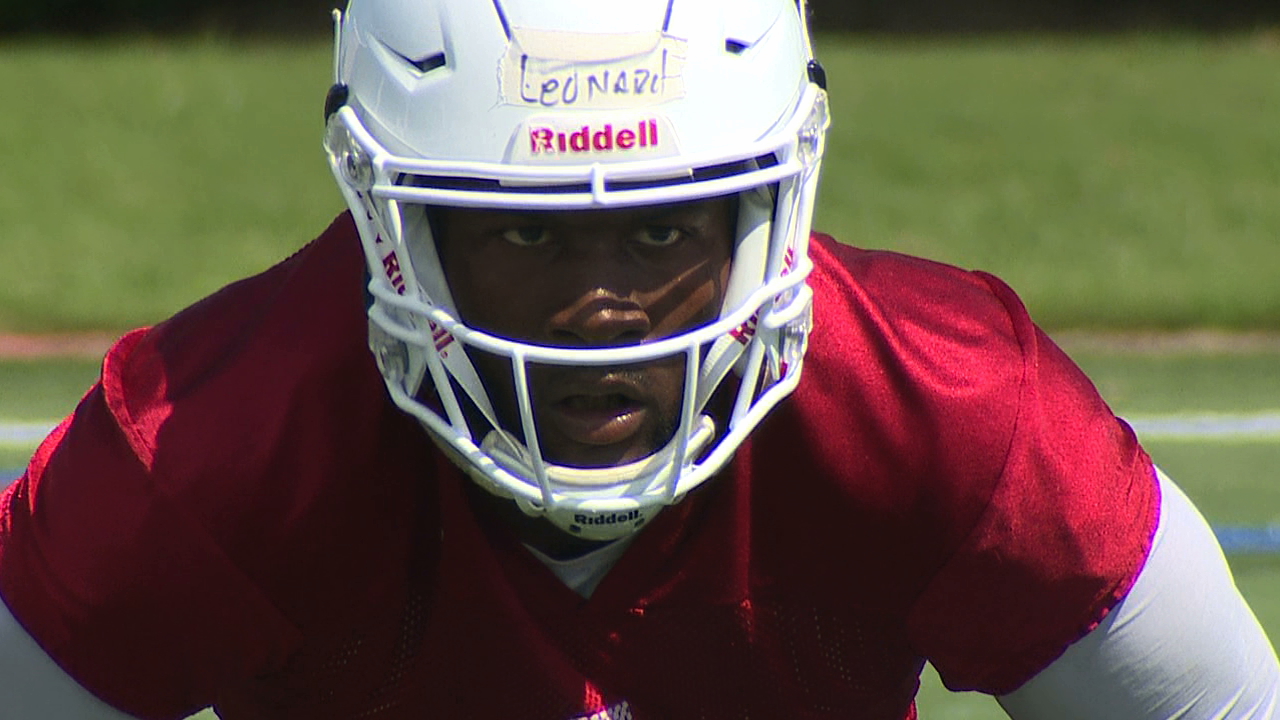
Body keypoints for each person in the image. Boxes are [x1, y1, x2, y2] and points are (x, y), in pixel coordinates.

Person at [1, 0, 1277, 717]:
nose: (601, 304)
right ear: (388, 221)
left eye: (664, 226)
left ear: (770, 213)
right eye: (519, 230)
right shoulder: (202, 458)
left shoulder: (956, 415)